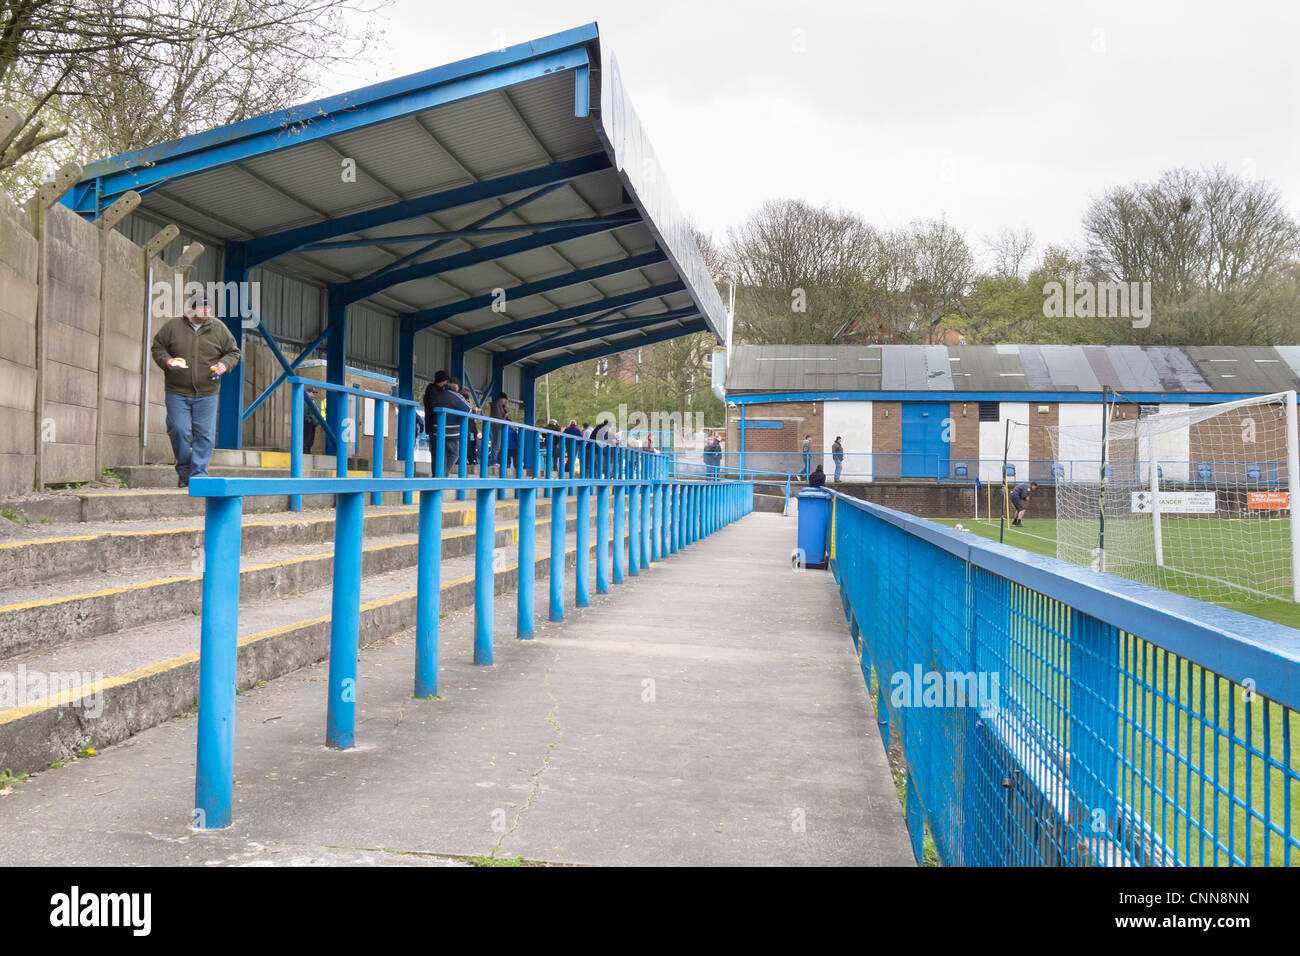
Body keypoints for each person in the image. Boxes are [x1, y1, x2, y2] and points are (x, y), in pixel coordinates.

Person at [151, 291, 240, 487]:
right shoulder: (173, 327)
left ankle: (199, 475)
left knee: (204, 433)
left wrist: (225, 365)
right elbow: (157, 347)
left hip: (208, 391)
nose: (207, 311)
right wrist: (167, 361)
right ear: (191, 307)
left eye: (209, 307)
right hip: (177, 390)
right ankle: (184, 470)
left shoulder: (219, 328)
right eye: (202, 307)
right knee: (178, 429)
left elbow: (233, 352)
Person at [422, 370, 471, 476]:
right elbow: (468, 409)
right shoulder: (439, 393)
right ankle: (441, 475)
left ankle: (439, 475)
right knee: (448, 453)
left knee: (439, 454)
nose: (446, 384)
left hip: (435, 427)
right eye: (445, 382)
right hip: (441, 428)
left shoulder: (436, 393)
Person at [302, 386, 326, 455]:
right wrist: (311, 419)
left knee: (310, 439)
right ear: (307, 392)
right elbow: (306, 412)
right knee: (306, 439)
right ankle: (305, 452)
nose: (314, 394)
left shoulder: (312, 401)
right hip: (308, 422)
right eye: (312, 392)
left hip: (312, 423)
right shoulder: (305, 400)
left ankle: (308, 451)